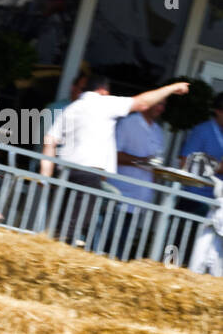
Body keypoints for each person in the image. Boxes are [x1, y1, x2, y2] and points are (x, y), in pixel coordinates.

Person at [41, 76, 189, 246]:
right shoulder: (104, 103)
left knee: (61, 223)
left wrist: (45, 176)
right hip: (89, 173)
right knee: (73, 227)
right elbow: (142, 103)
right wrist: (171, 88)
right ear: (104, 90)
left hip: (65, 172)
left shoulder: (71, 108)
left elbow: (50, 141)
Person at [110, 99, 166, 254]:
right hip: (120, 194)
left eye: (163, 105)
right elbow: (114, 154)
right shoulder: (128, 123)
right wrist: (141, 161)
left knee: (124, 247)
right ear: (147, 104)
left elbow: (155, 162)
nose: (161, 108)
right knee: (110, 243)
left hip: (141, 198)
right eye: (158, 103)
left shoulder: (158, 131)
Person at [175, 93, 223, 256]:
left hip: (216, 203)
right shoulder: (202, 131)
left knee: (202, 253)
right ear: (218, 111)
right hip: (193, 199)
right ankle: (167, 270)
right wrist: (218, 167)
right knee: (177, 245)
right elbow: (184, 163)